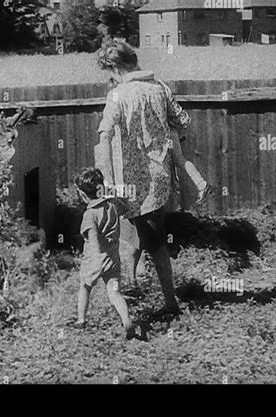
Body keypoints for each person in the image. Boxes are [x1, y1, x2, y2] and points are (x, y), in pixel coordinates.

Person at [95, 40, 211, 314]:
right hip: (158, 177)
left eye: (109, 72)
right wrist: (166, 137)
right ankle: (134, 284)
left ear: (115, 67)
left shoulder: (117, 96)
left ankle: (171, 304)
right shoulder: (160, 88)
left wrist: (106, 180)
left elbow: (104, 135)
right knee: (137, 233)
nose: (109, 78)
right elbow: (183, 121)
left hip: (127, 181)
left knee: (155, 242)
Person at [74, 167, 136, 339]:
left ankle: (81, 320)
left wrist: (95, 261)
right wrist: (110, 193)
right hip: (113, 259)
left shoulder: (89, 214)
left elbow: (93, 239)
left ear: (82, 195)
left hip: (95, 258)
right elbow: (126, 205)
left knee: (85, 287)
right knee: (114, 292)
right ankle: (126, 320)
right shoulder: (112, 206)